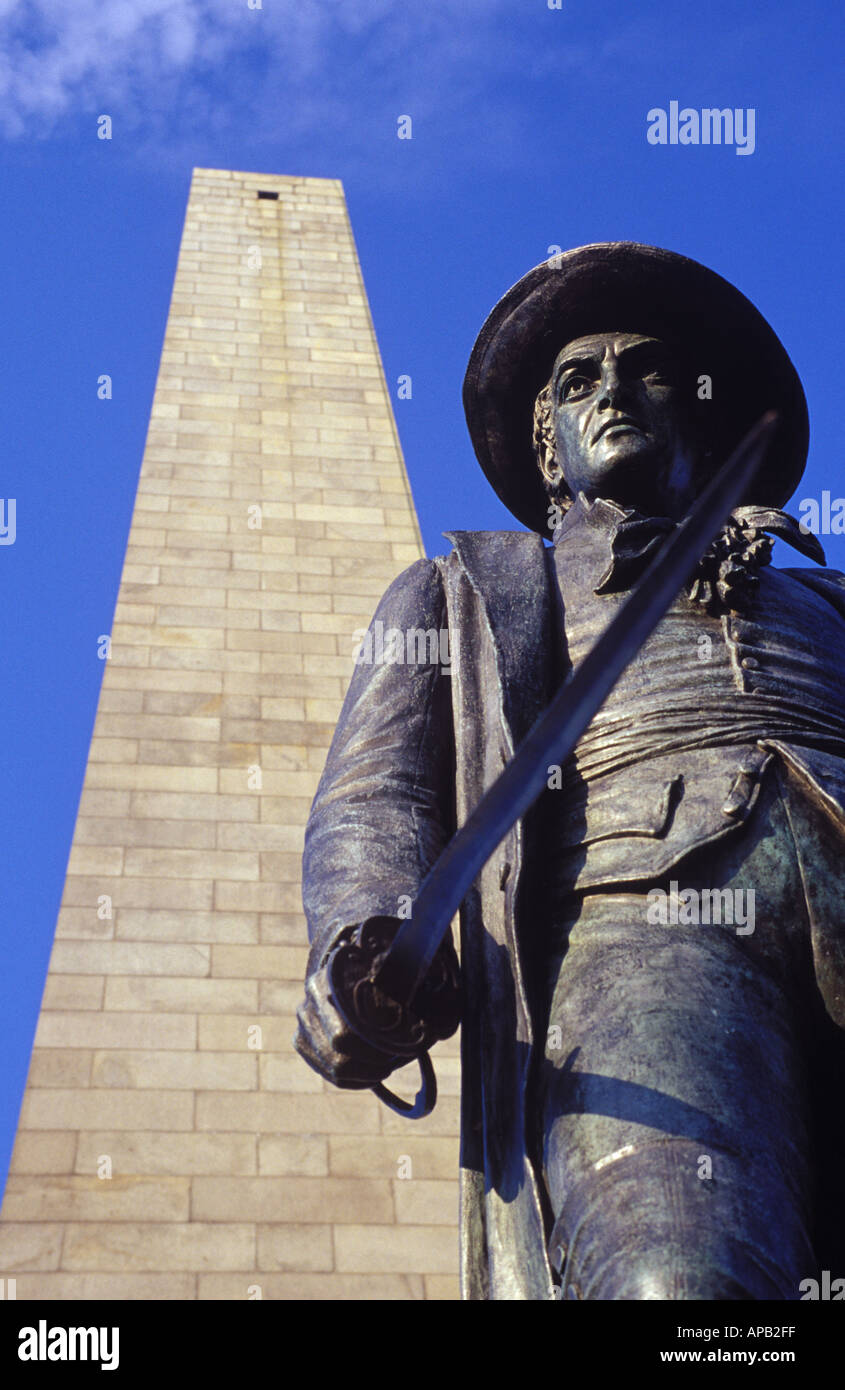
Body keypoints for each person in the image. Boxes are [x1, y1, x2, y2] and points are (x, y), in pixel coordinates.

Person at [294, 242, 845, 1299]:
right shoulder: (461, 590)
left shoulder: (827, 596)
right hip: (638, 920)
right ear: (547, 449)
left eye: (646, 369)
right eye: (578, 379)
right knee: (675, 1280)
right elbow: (377, 795)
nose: (615, 392)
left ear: (704, 414)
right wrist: (361, 936)